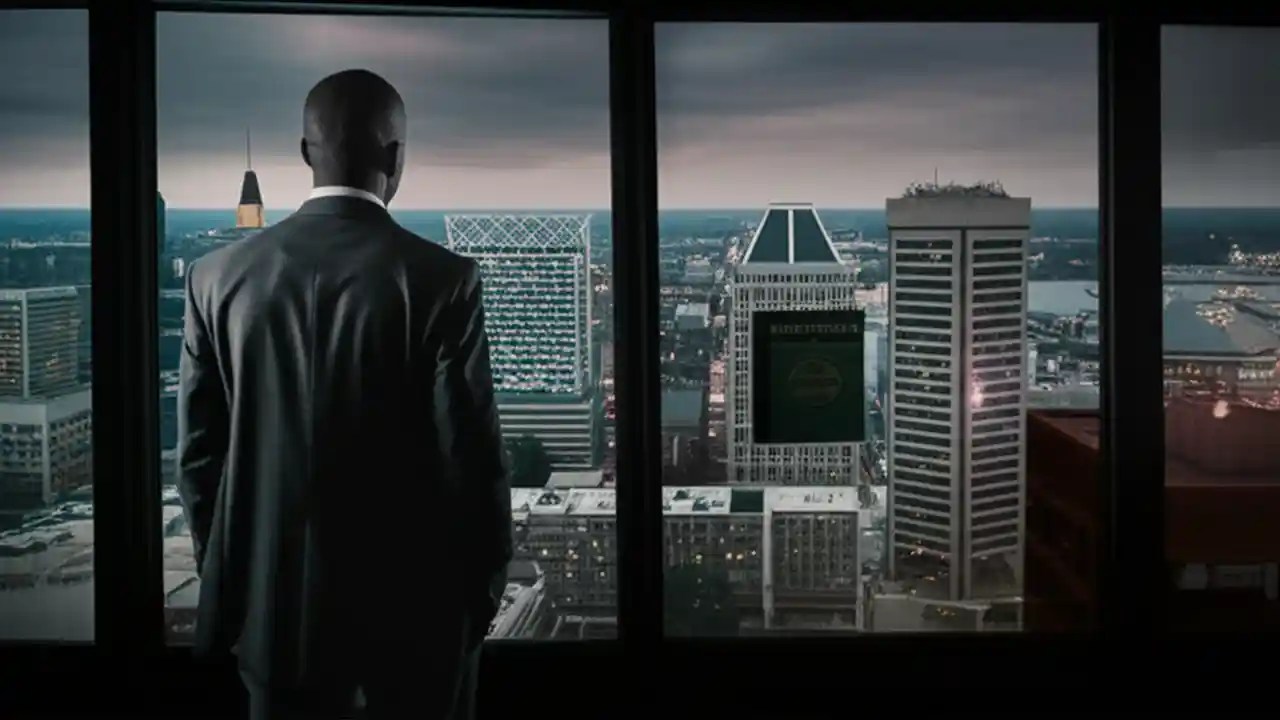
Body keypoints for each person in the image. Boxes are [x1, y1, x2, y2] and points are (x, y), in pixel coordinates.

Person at [177, 68, 512, 720]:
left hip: (267, 627)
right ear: (395, 155)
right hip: (413, 632)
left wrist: (240, 590)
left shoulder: (214, 278)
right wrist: (475, 605)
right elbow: (471, 463)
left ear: (306, 153)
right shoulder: (442, 279)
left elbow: (199, 463)